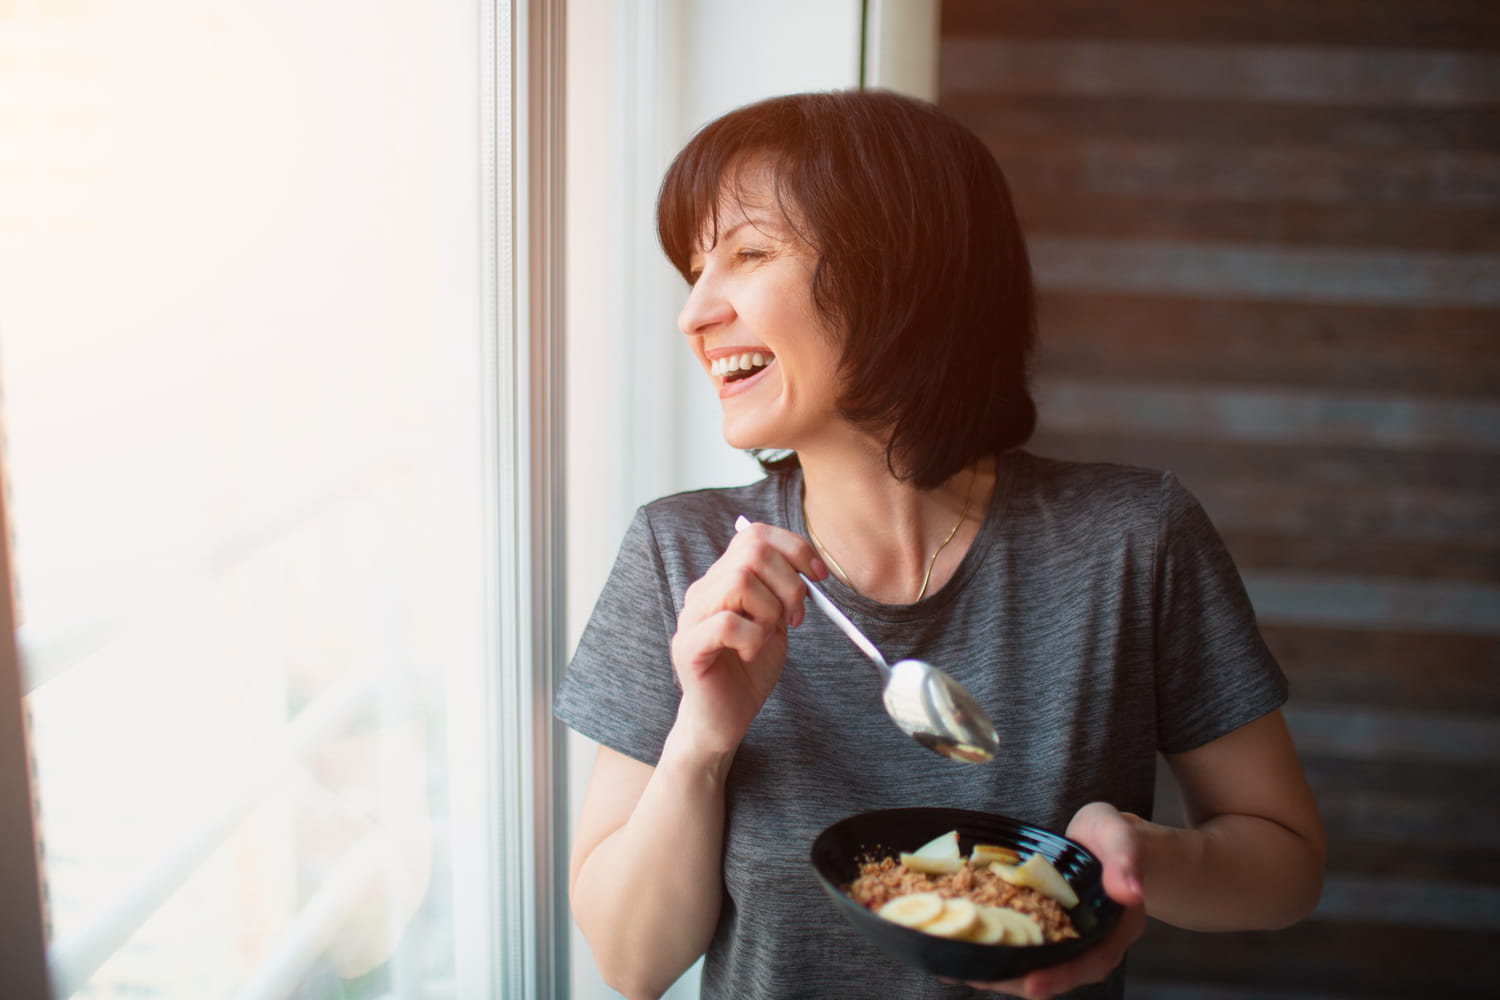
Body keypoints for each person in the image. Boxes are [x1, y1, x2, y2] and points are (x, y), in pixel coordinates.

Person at [555, 89, 1324, 1000]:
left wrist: (1139, 862)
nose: (694, 313)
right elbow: (630, 961)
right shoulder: (682, 556)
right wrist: (702, 739)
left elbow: (1285, 867)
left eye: (749, 254)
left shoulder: (1134, 541)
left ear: (901, 272)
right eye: (694, 269)